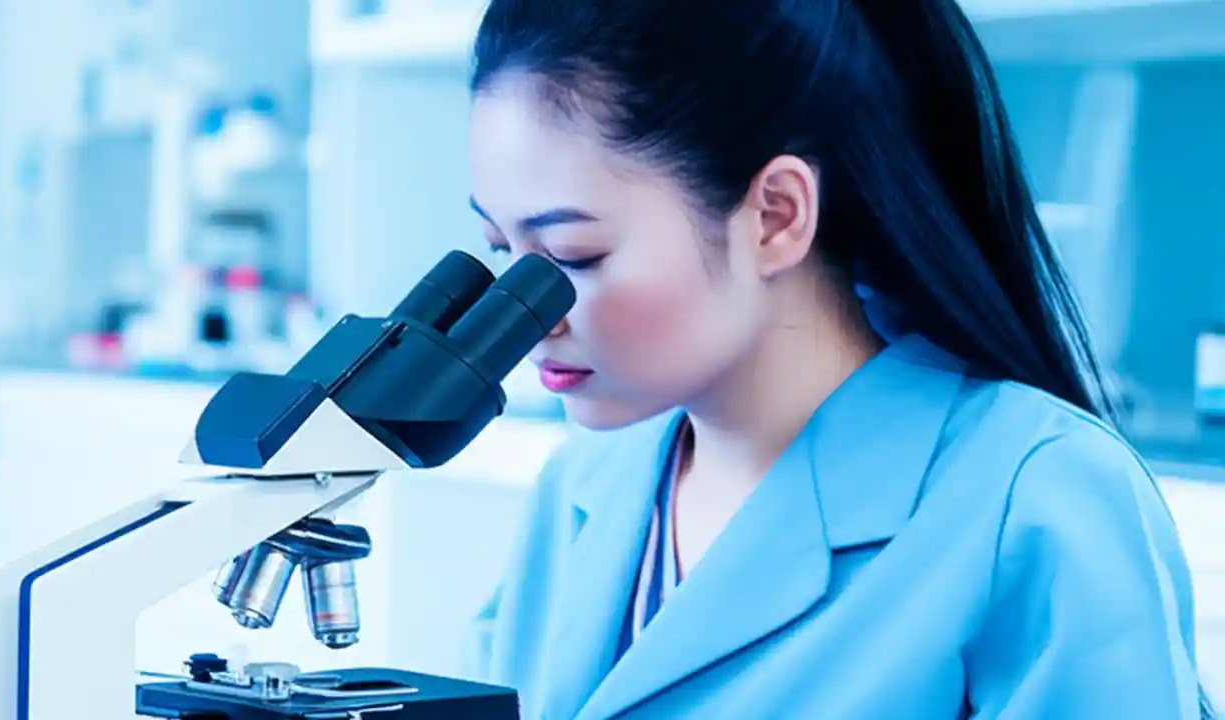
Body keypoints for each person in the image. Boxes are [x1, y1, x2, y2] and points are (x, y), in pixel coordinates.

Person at [463, 0, 1213, 718]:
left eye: (571, 256)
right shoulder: (581, 490)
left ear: (776, 215)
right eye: (503, 251)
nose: (525, 321)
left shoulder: (1034, 497)